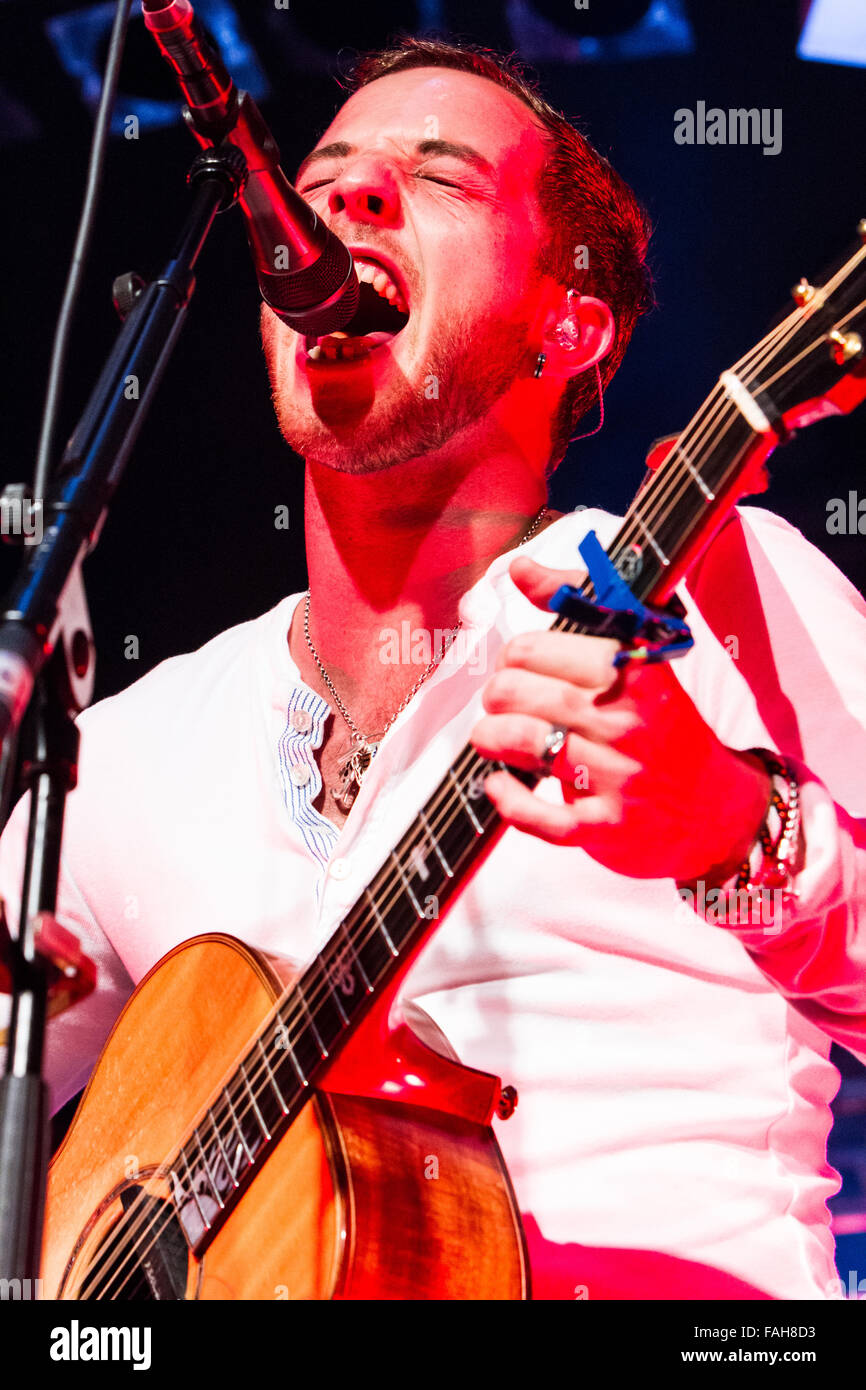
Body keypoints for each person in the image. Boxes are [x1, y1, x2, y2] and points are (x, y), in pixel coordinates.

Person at [2, 36, 866, 1301]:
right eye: (325, 174)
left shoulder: (721, 592)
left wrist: (738, 830)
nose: (343, 197)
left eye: (439, 179)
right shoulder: (130, 752)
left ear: (569, 323)